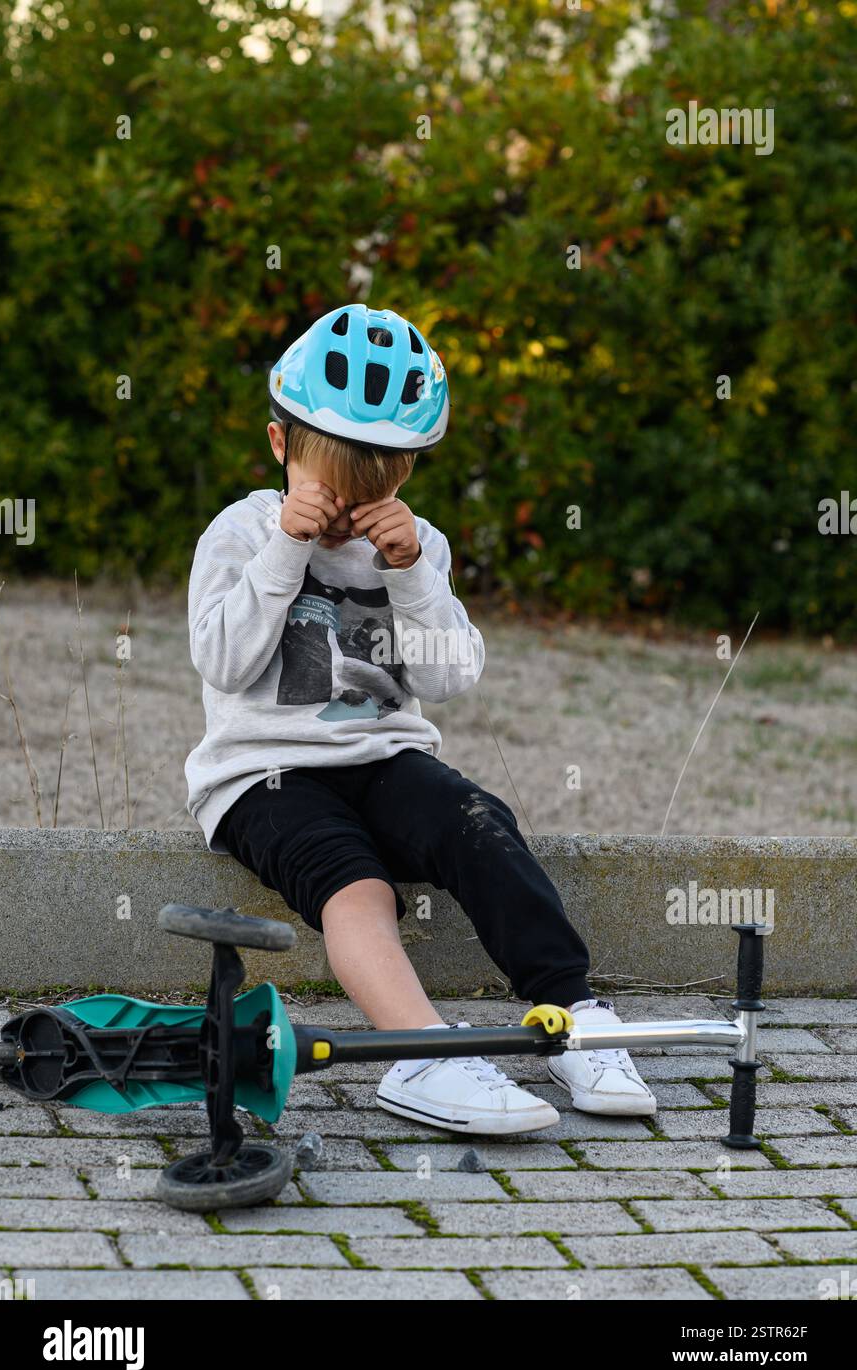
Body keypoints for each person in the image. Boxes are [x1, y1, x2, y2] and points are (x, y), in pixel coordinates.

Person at [184, 303, 655, 1135]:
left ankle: (573, 1012)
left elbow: (449, 677)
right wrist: (284, 552)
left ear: (405, 472)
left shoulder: (419, 545)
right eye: (329, 485)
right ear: (279, 445)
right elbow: (222, 661)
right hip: (264, 773)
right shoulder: (242, 532)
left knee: (479, 820)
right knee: (354, 884)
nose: (344, 511)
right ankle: (423, 1053)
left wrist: (410, 575)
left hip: (384, 756)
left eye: (375, 487)